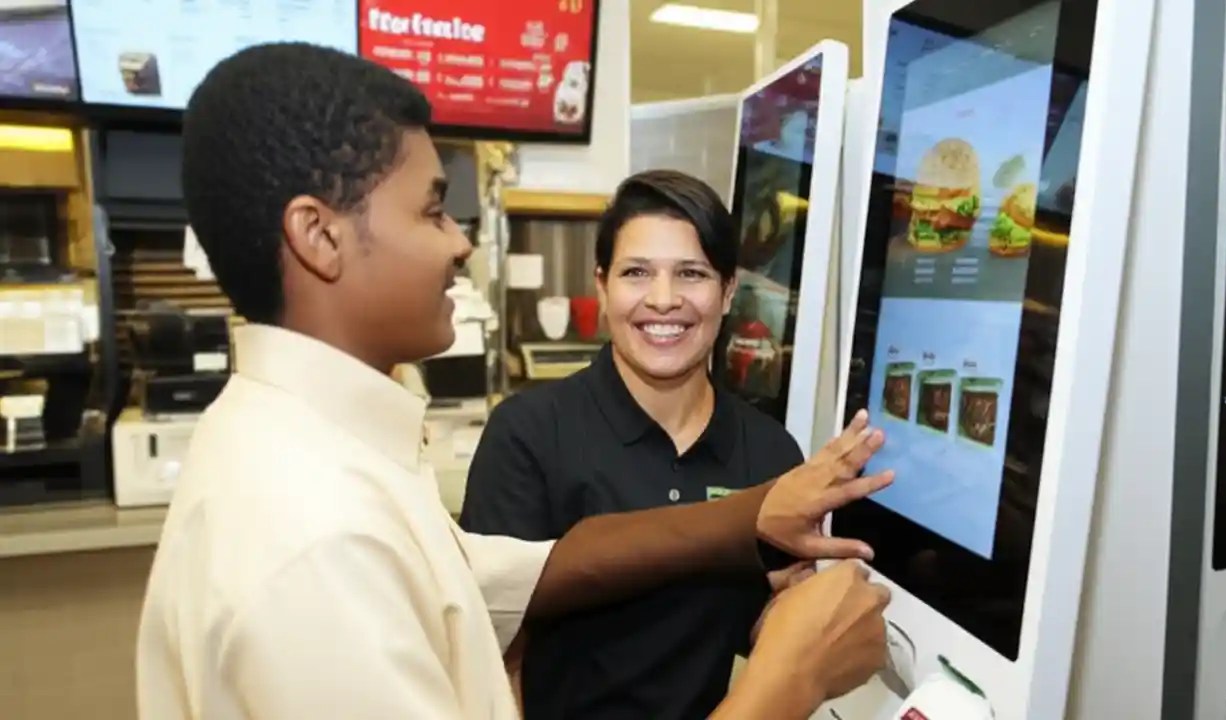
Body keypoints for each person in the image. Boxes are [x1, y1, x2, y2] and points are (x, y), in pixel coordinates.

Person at [135, 42, 894, 720]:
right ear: (320, 237)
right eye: (433, 210)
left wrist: (757, 518)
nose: (460, 243)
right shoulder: (316, 539)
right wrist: (788, 682)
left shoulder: (319, 464)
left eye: (690, 274)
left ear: (727, 290)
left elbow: (534, 571)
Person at [461, 169, 818, 719]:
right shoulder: (529, 435)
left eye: (691, 274)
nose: (663, 300)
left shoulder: (771, 455)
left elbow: (773, 635)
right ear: (602, 286)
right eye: (636, 273)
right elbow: (494, 650)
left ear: (727, 293)